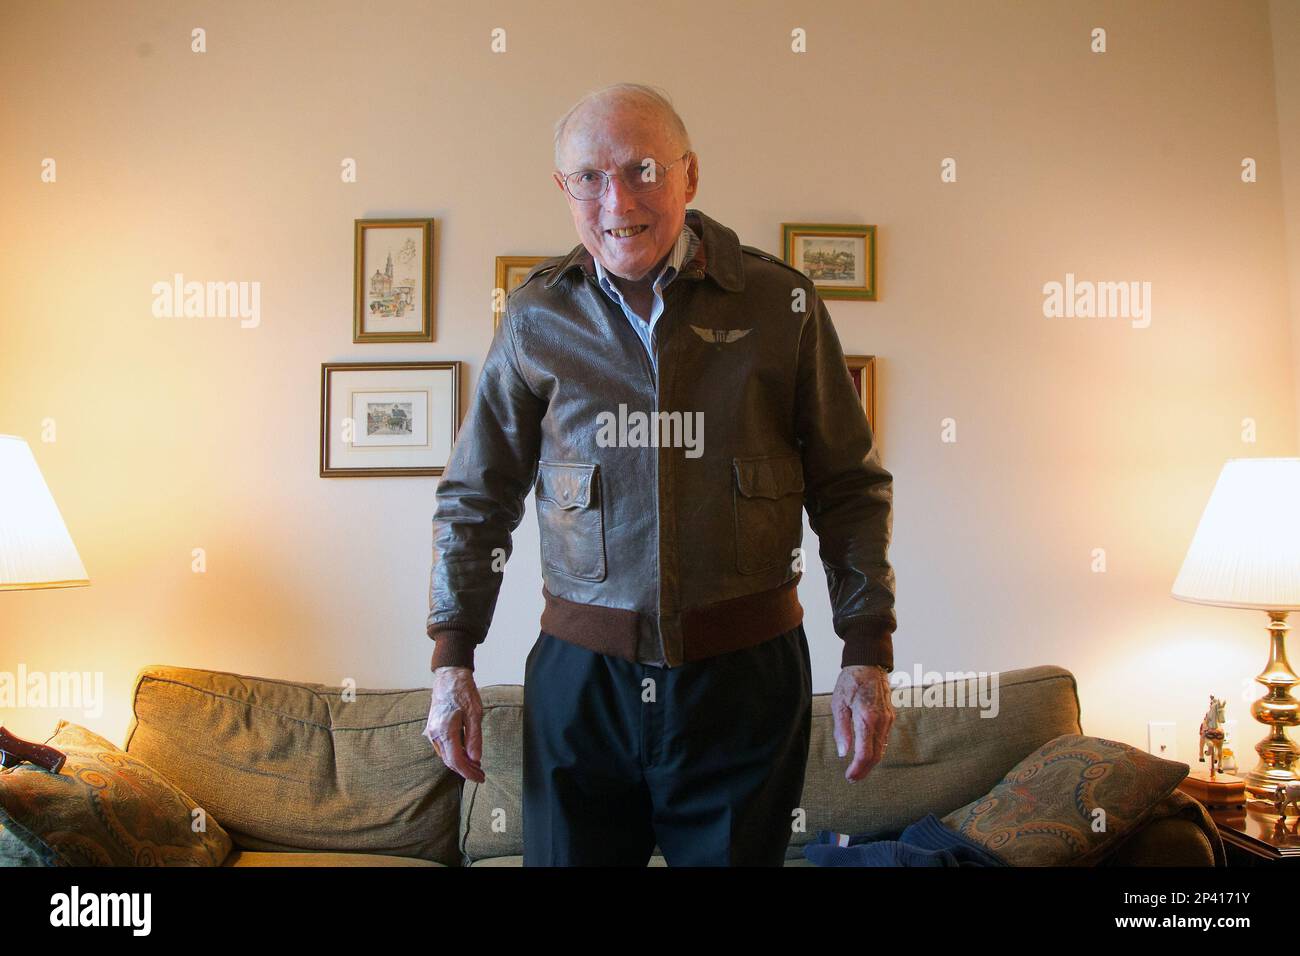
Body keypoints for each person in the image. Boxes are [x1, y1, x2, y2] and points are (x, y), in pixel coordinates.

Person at [425, 83, 897, 866]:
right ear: (564, 188)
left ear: (690, 175)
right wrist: (452, 659)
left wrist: (867, 649)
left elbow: (849, 485)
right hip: (581, 687)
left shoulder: (782, 303)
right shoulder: (536, 316)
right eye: (590, 176)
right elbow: (478, 497)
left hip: (745, 679)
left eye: (643, 169)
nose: (618, 199)